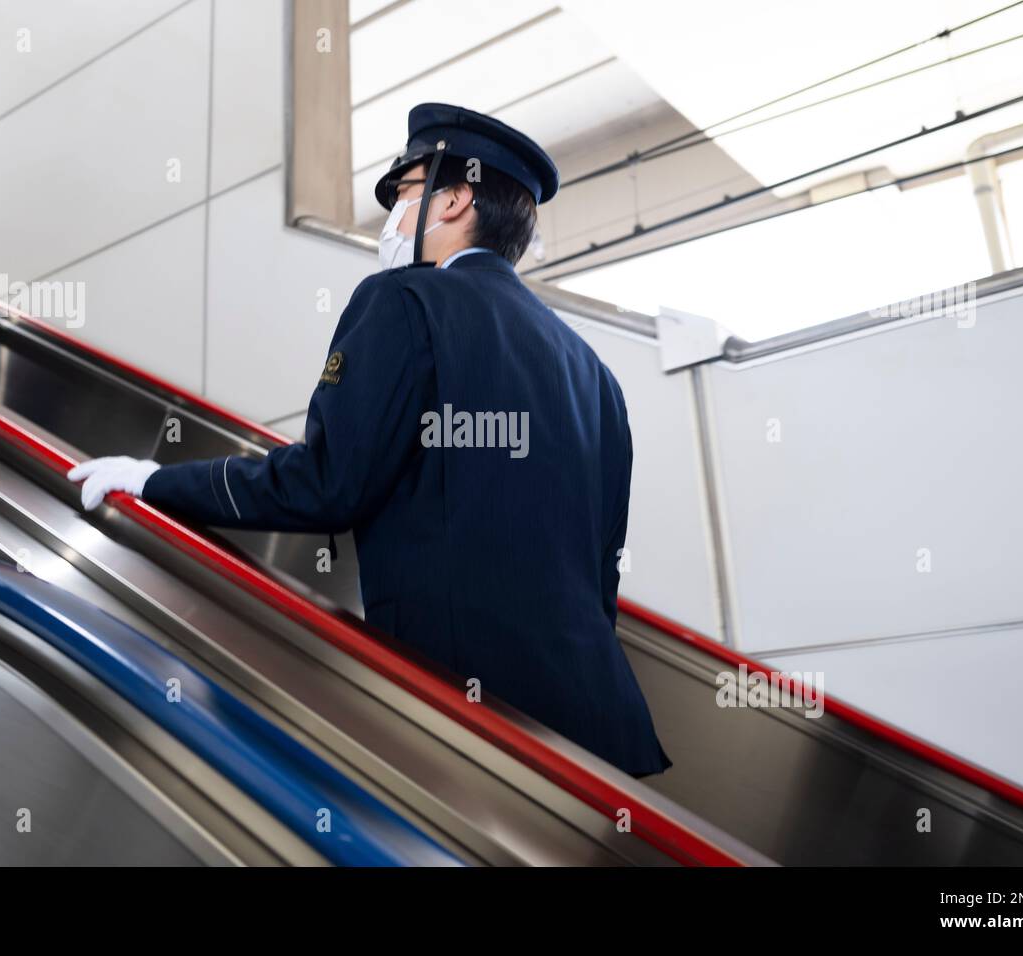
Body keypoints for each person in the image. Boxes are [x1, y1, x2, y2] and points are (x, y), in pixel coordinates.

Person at [68, 103, 672, 777]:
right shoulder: (596, 375)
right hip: (607, 736)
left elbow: (326, 484)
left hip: (470, 726)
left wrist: (154, 481)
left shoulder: (404, 300)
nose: (390, 218)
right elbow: (602, 566)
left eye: (404, 193)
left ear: (454, 198)